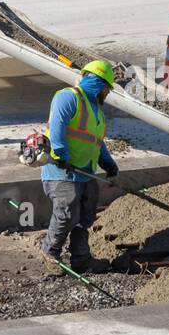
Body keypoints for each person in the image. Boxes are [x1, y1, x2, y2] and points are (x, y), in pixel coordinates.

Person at [40, 61, 120, 274]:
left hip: (84, 173)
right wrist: (61, 155)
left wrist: (108, 163)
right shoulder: (68, 97)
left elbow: (96, 141)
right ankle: (50, 253)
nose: (107, 94)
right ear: (99, 84)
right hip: (62, 171)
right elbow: (57, 126)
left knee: (85, 217)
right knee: (66, 215)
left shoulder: (96, 112)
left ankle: (81, 259)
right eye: (107, 89)